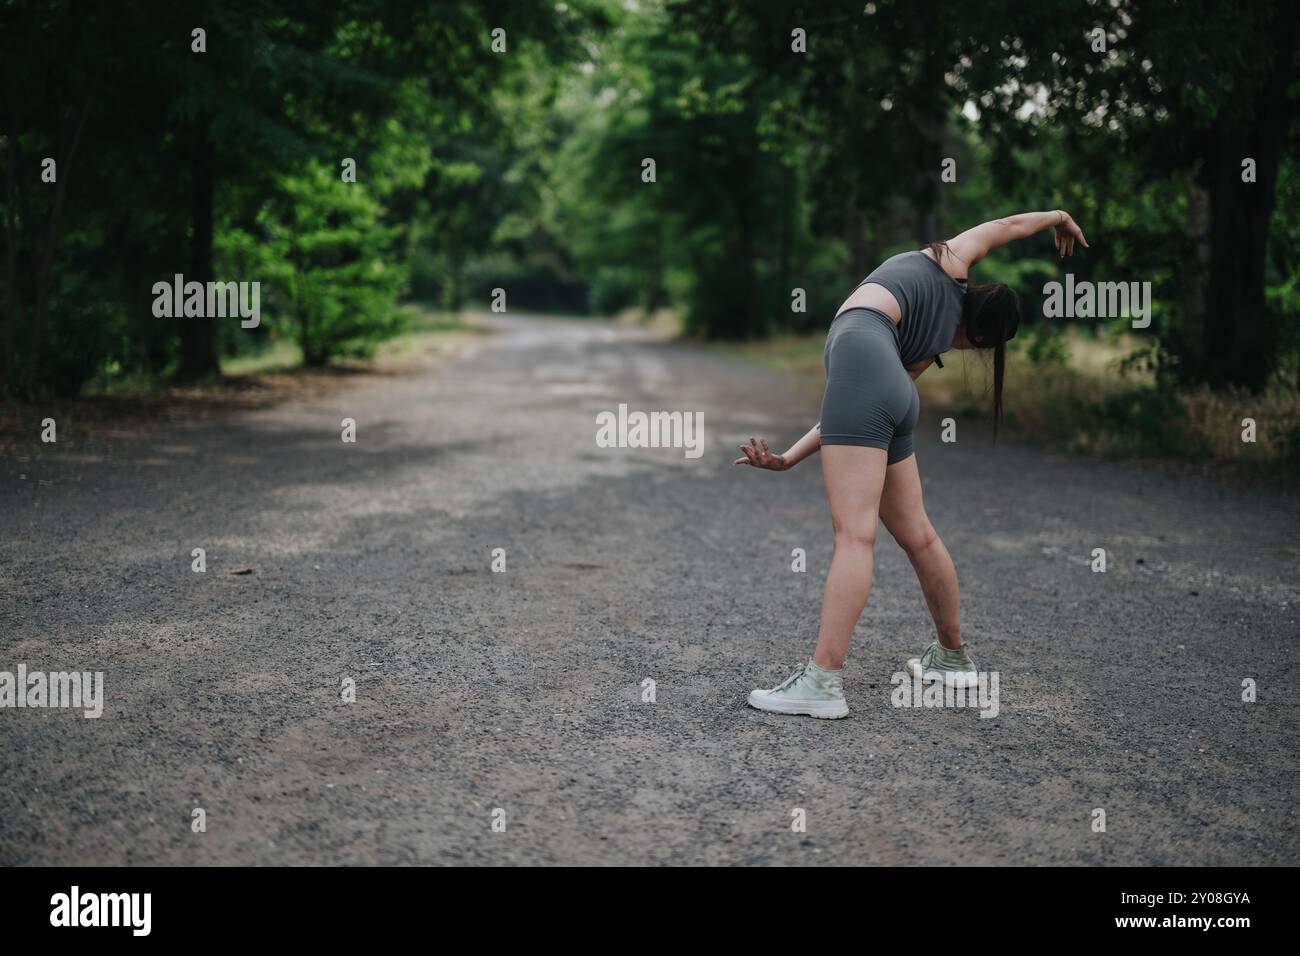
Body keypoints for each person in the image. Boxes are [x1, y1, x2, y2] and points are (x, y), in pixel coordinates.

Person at [735, 210, 1088, 718]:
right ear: (982, 334)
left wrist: (1055, 217)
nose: (961, 346)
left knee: (855, 536)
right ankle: (952, 658)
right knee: (917, 534)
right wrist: (790, 458)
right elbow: (865, 406)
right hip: (891, 392)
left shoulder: (949, 265)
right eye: (973, 344)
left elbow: (1003, 228)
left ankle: (822, 682)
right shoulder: (948, 285)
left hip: (868, 375)